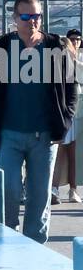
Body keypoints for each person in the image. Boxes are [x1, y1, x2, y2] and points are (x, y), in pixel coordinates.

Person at [0, 0, 77, 244]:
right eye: (26, 16)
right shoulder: (0, 48)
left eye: (36, 16)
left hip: (44, 136)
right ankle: (8, 239)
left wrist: (64, 121)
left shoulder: (56, 46)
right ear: (15, 18)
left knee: (39, 195)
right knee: (9, 190)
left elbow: (71, 89)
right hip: (9, 134)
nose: (32, 21)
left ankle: (35, 245)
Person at [54, 28, 83, 205]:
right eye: (72, 39)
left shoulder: (78, 62)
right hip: (67, 113)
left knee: (74, 153)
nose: (76, 42)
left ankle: (73, 189)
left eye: (79, 39)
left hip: (78, 112)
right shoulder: (60, 62)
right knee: (60, 152)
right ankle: (55, 188)